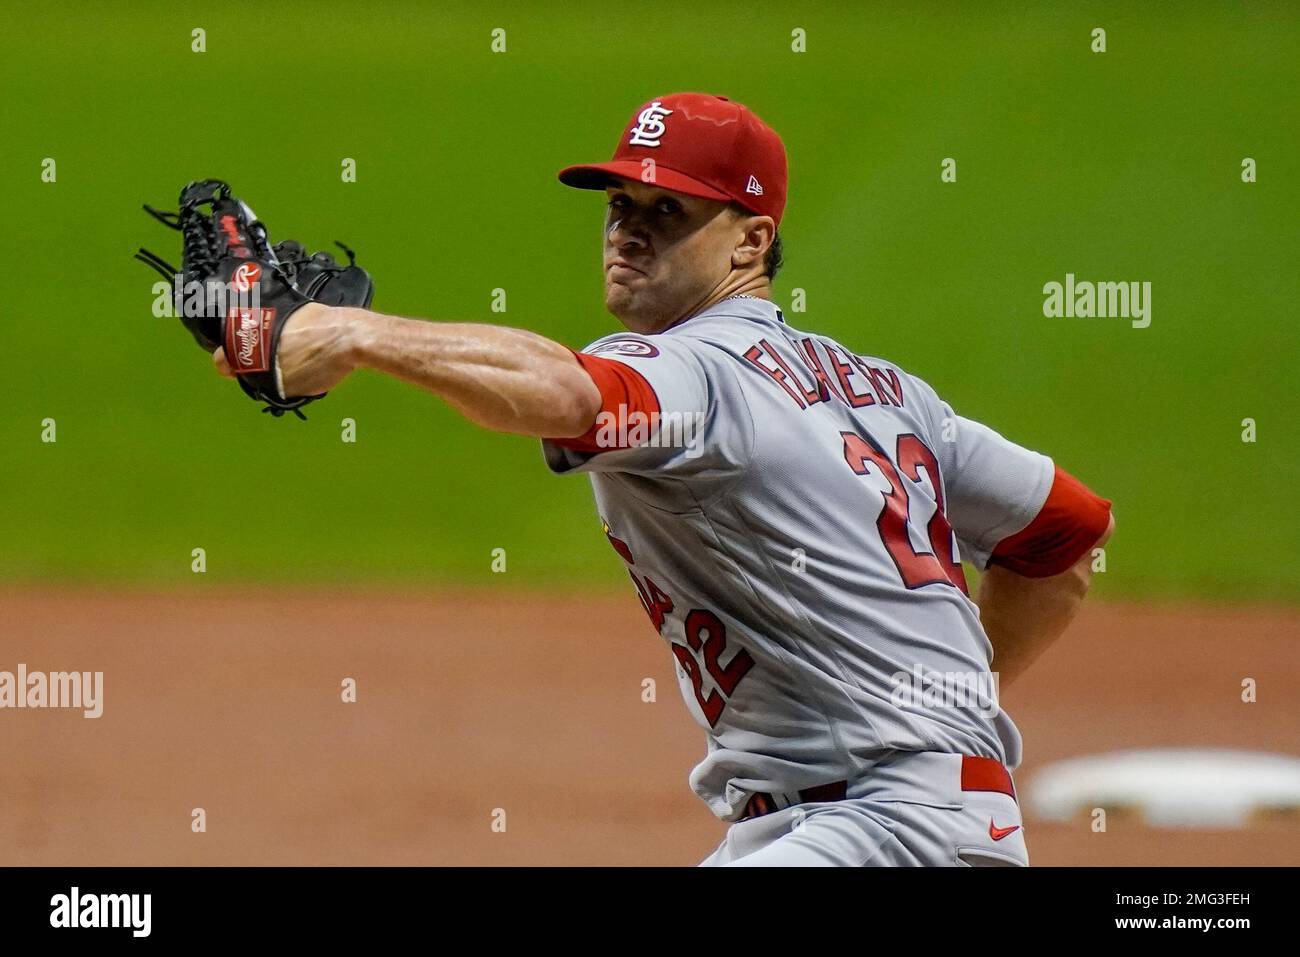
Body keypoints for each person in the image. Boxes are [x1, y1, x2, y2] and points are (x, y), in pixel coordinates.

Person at [215, 92, 1114, 866]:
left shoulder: (700, 373)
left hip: (876, 832)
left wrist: (356, 335)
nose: (629, 231)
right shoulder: (891, 395)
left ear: (750, 242)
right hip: (915, 825)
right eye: (619, 206)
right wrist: (944, 710)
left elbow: (569, 391)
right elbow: (1064, 532)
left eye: (669, 212)